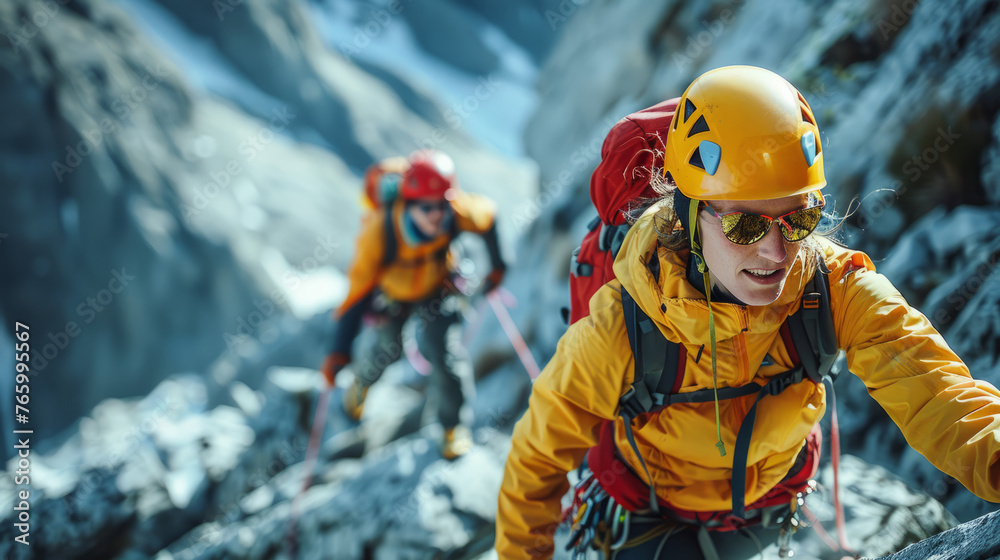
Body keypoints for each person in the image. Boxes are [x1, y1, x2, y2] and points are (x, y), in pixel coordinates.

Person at [495, 66, 1000, 559]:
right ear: (689, 215)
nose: (777, 253)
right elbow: (539, 456)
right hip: (648, 516)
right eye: (744, 226)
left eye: (800, 218)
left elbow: (942, 397)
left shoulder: (835, 287)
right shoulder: (624, 323)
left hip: (767, 507)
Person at [320, 149, 507, 460]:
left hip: (438, 286)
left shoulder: (457, 211)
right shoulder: (379, 233)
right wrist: (337, 351)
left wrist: (499, 265)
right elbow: (356, 296)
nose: (438, 214)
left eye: (443, 204)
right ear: (408, 204)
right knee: (387, 352)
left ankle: (452, 427)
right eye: (427, 207)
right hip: (393, 296)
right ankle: (359, 385)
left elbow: (489, 217)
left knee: (444, 355)